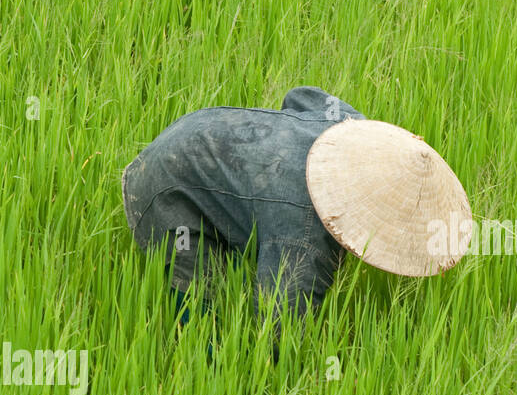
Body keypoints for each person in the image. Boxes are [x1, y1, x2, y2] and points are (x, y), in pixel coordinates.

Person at [121, 86, 471, 360]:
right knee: (199, 309)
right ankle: (203, 376)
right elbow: (278, 329)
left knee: (246, 235)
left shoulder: (350, 126)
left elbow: (301, 95)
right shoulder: (304, 236)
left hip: (202, 126)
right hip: (165, 186)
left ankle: (236, 206)